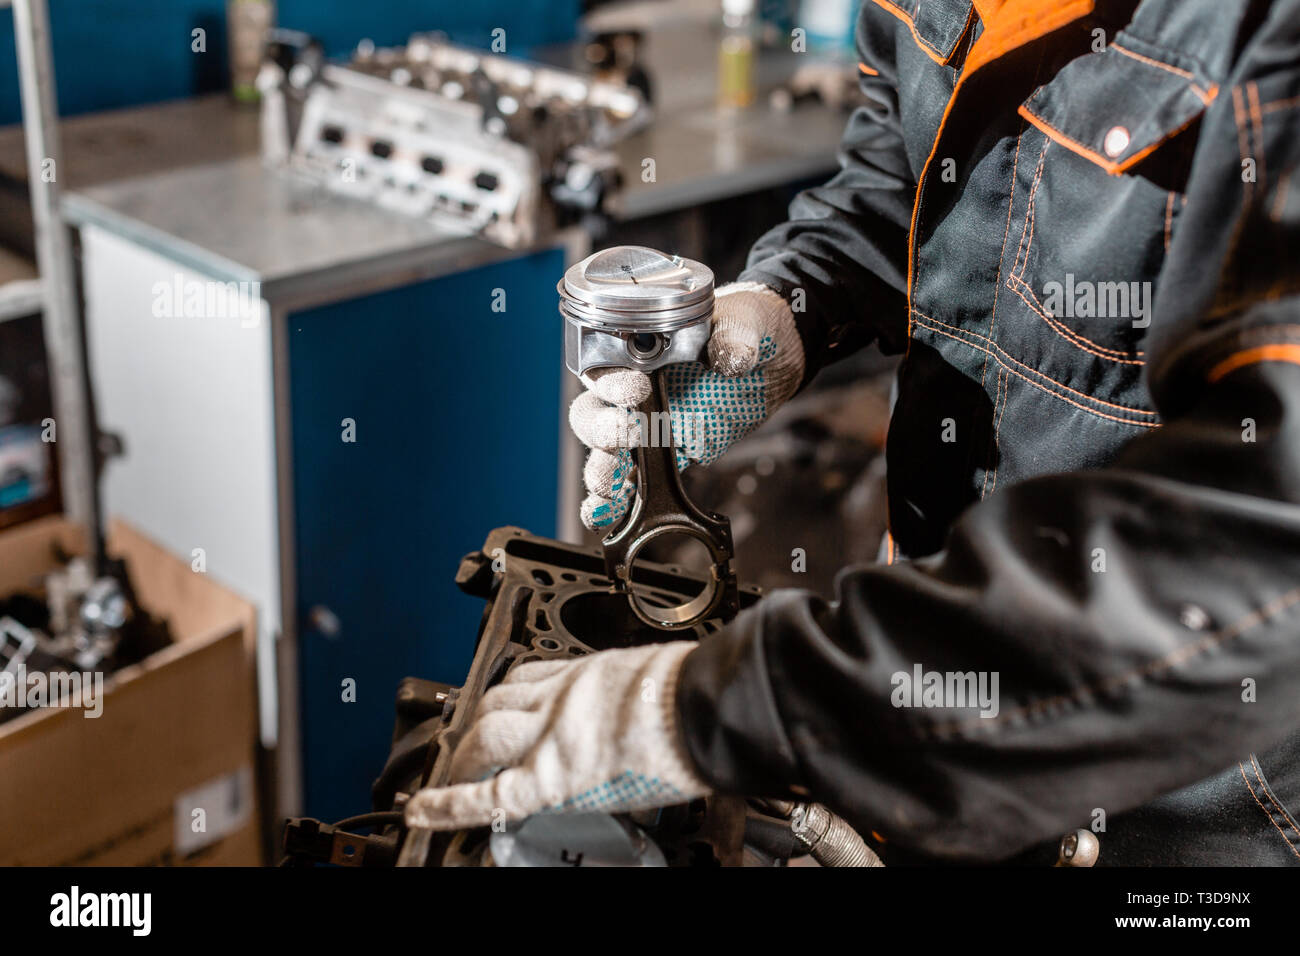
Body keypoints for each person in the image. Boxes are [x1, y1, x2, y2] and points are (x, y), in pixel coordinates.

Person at [407, 0, 1300, 864]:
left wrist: (745, 707)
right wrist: (786, 307)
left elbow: (1259, 550)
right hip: (918, 645)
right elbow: (904, 169)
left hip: (1198, 791)